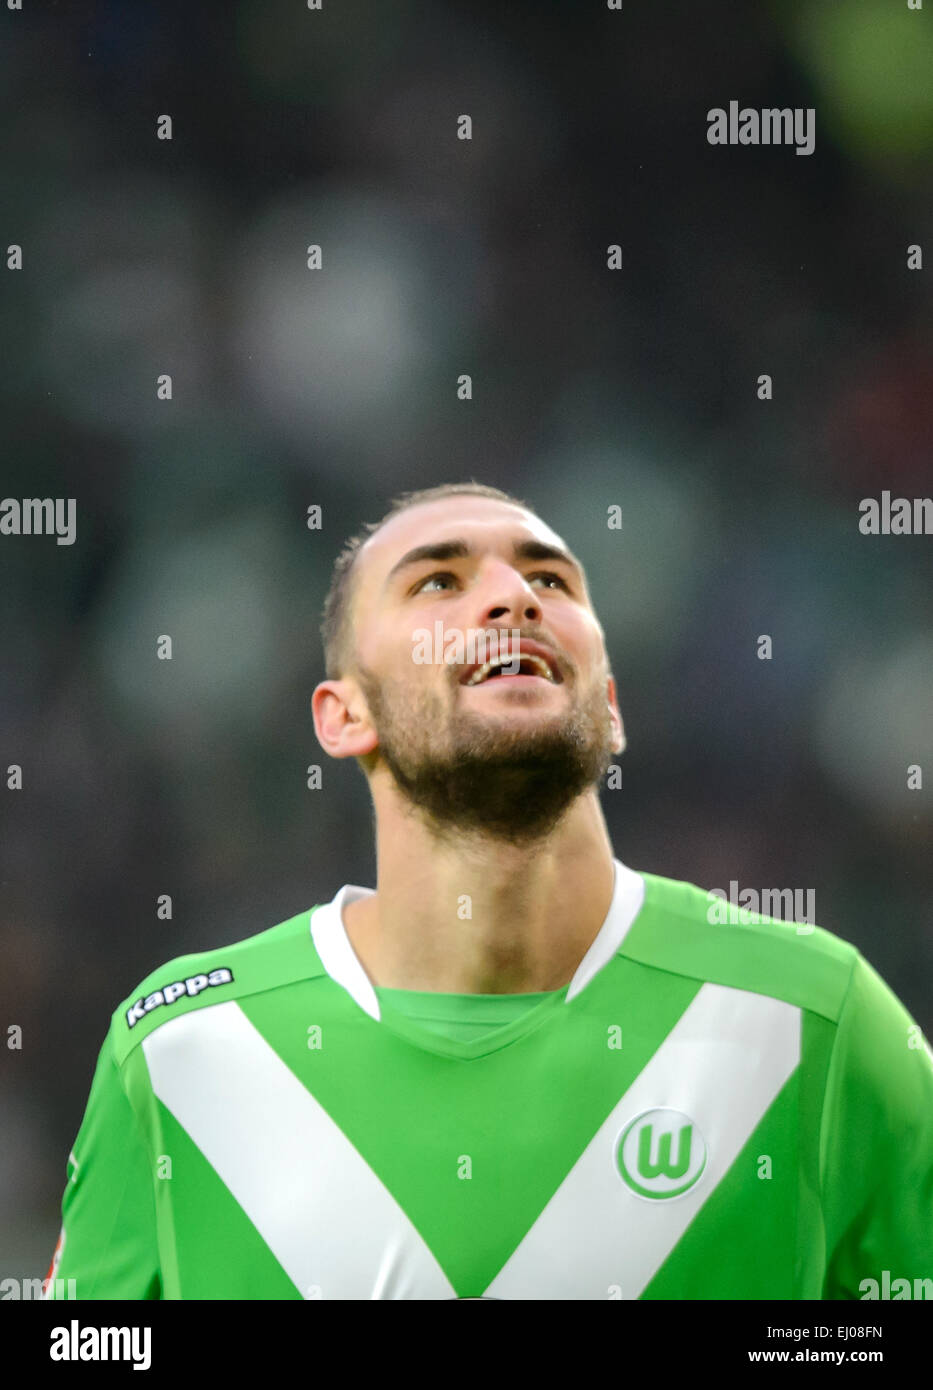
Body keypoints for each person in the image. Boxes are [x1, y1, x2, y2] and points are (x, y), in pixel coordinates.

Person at [45, 482, 933, 1299]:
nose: (515, 598)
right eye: (436, 583)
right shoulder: (179, 1052)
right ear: (342, 714)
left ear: (611, 706)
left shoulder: (813, 1018)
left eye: (551, 578)